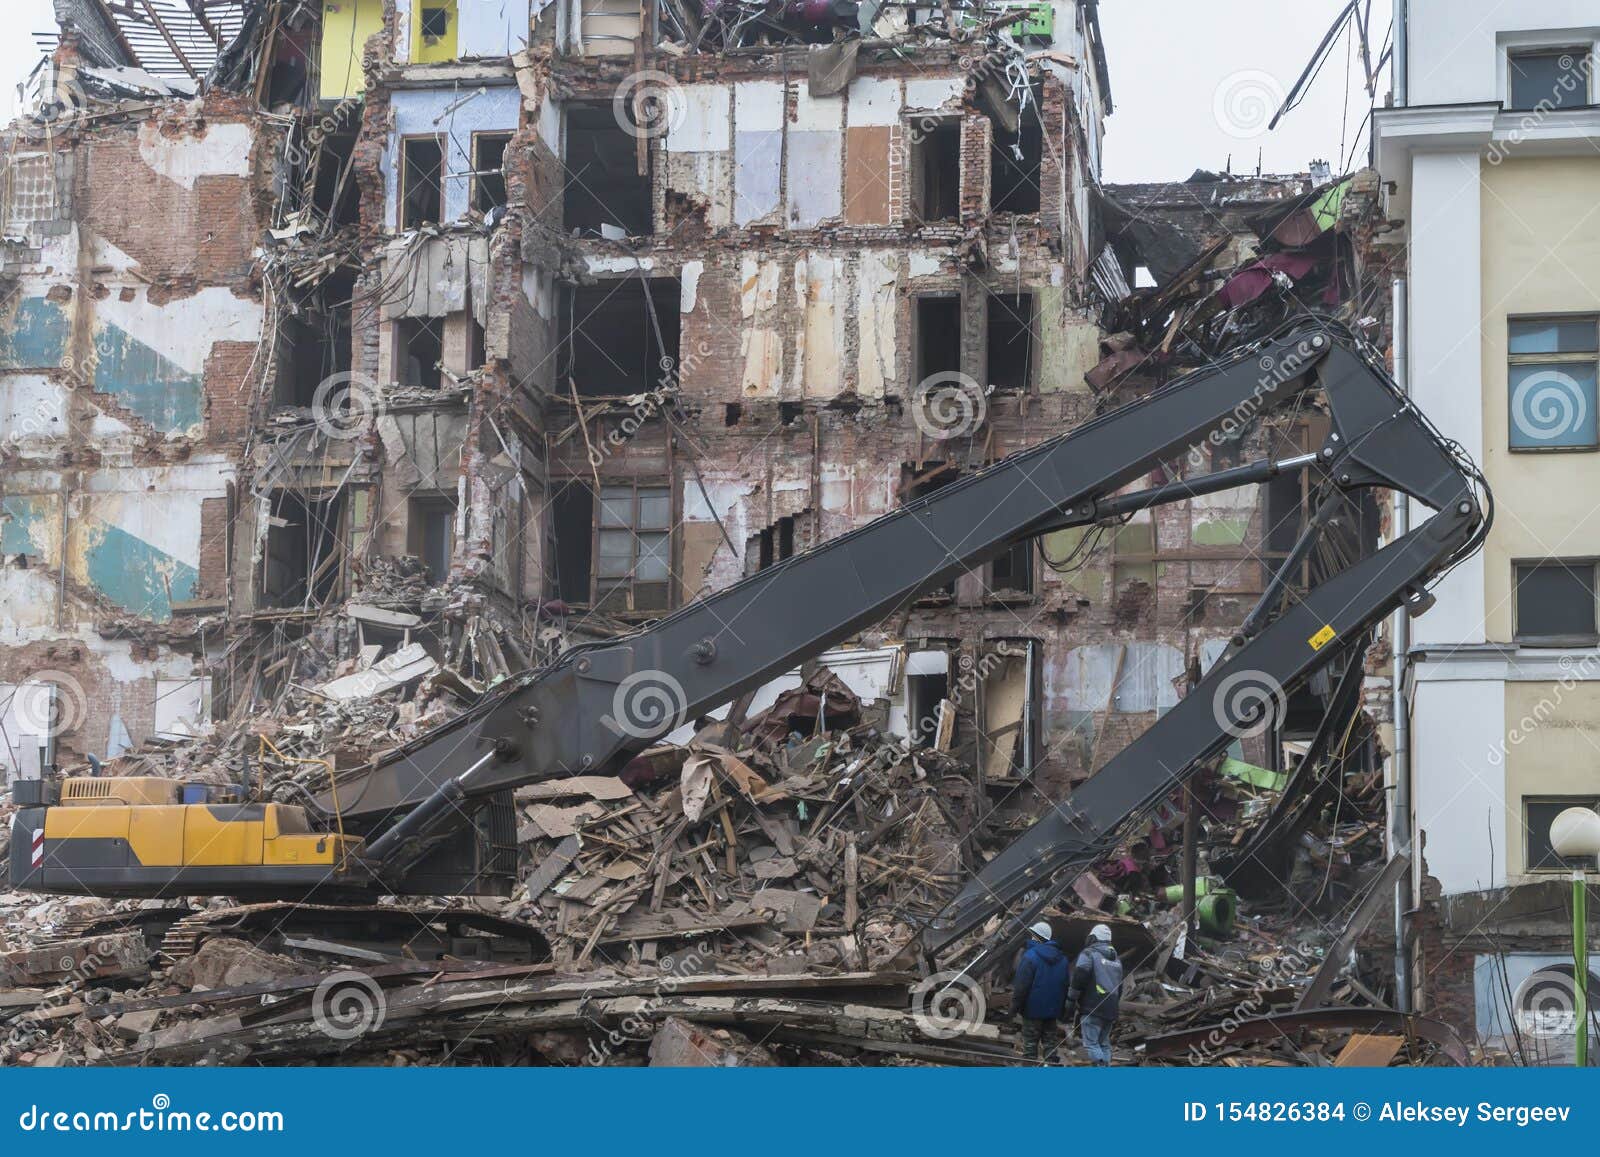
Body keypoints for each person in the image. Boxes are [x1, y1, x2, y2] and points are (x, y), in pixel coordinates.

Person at [1010, 920, 1069, 1063]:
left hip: (1032, 1011)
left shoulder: (1030, 956)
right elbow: (1065, 986)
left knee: (1030, 1048)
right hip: (1052, 1011)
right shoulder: (1063, 959)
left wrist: (1014, 1008)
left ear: (1036, 936)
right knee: (1050, 1046)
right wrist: (1061, 1010)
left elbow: (1021, 986)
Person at [1065, 923, 1123, 1066]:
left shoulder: (1088, 954)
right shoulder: (1117, 960)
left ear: (1093, 938)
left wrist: (1071, 1000)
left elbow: (1079, 978)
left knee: (1091, 1044)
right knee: (1104, 1043)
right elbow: (1120, 987)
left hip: (1092, 1006)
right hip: (1111, 1007)